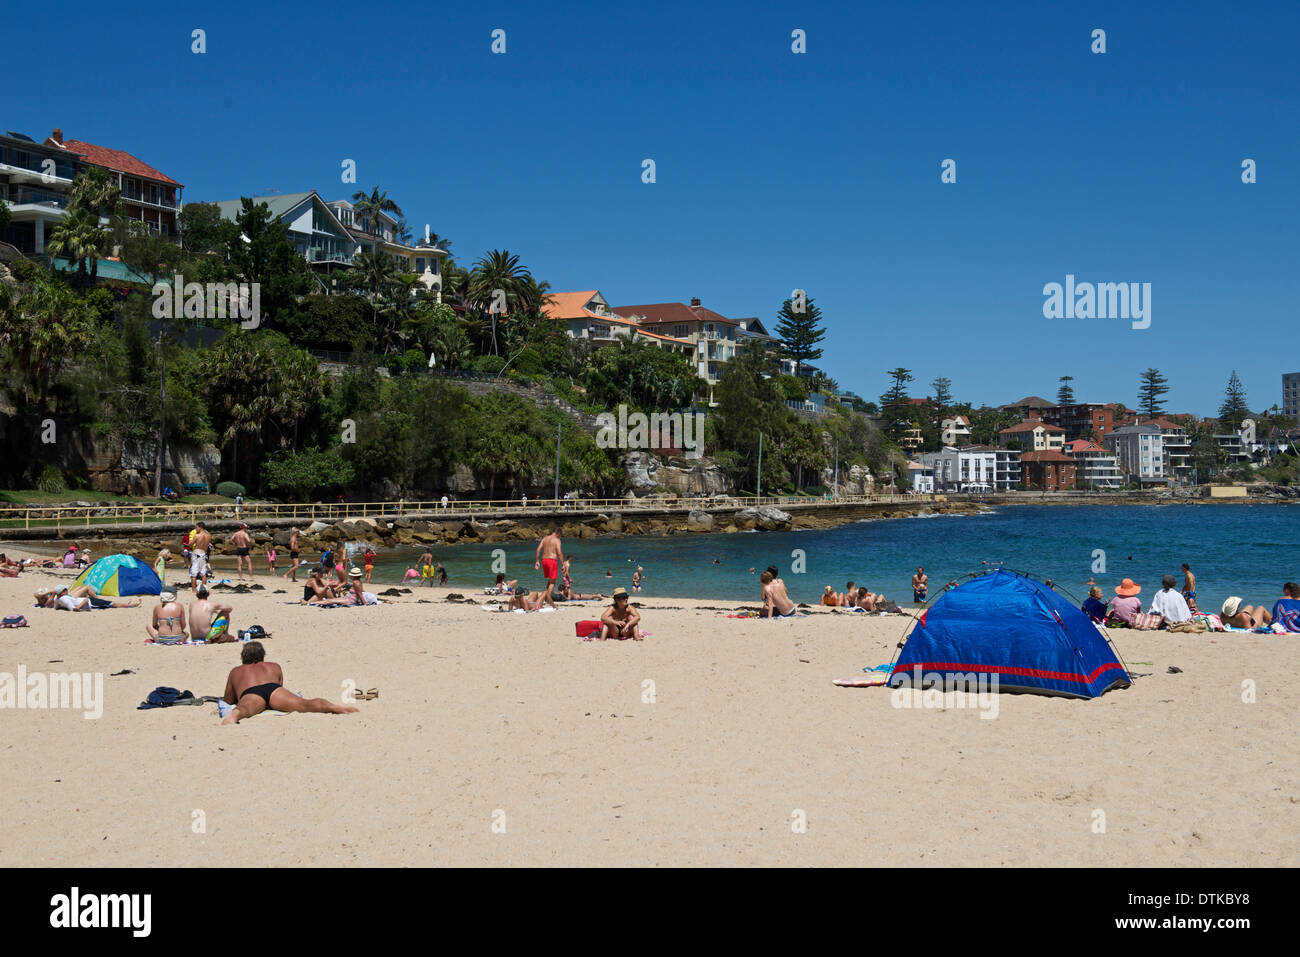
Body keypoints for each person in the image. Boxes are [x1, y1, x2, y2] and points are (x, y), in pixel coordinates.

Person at [220, 641, 359, 725]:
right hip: (273, 690)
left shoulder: (236, 671)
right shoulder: (274, 666)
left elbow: (228, 699)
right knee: (305, 704)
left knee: (244, 710)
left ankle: (234, 716)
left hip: (251, 692)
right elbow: (280, 686)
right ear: (262, 655)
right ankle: (333, 707)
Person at [35, 584, 140, 611]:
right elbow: (74, 609)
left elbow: (58, 607)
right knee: (110, 604)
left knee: (81, 587)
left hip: (76, 599)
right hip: (86, 602)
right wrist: (50, 593)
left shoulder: (58, 599)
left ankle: (129, 605)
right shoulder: (50, 600)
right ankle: (130, 605)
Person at [535, 526, 565, 608]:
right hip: (552, 560)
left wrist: (537, 561)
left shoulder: (545, 538)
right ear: (558, 533)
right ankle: (547, 598)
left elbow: (538, 550)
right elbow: (559, 552)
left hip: (544, 560)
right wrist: (563, 564)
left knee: (550, 579)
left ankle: (546, 596)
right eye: (560, 535)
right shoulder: (557, 540)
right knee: (552, 582)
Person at [189, 522, 211, 593]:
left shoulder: (197, 536)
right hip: (204, 554)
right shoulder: (208, 536)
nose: (196, 529)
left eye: (196, 527)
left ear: (200, 527)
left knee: (193, 574)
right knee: (203, 574)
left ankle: (194, 590)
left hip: (197, 554)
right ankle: (204, 589)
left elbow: (190, 545)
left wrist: (189, 543)